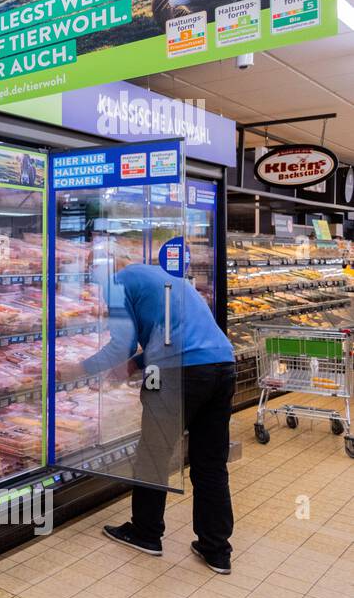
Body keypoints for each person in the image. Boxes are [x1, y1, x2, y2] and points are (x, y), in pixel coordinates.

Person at [56, 244, 236, 574]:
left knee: (153, 452)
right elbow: (169, 333)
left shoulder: (119, 282)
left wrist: (77, 370)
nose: (92, 276)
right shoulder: (163, 277)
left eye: (92, 267)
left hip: (176, 372)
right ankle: (216, 549)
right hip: (222, 365)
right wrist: (133, 366)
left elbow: (120, 345)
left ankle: (146, 532)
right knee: (210, 462)